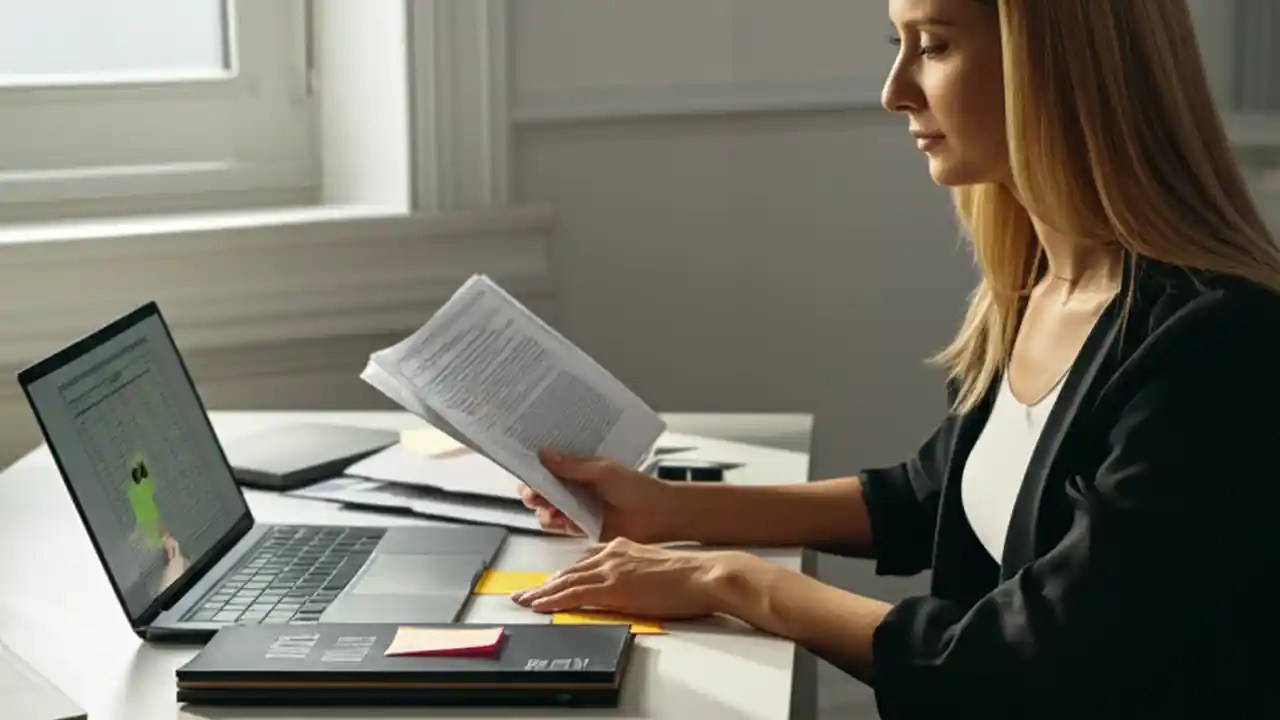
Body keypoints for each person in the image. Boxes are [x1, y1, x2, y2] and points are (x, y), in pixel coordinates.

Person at [513, 0, 1280, 716]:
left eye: (935, 46)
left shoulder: (1219, 348)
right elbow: (932, 496)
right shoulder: (1036, 287)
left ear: (1055, 64)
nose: (895, 91)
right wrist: (668, 508)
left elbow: (1028, 656)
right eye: (898, 44)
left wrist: (730, 579)